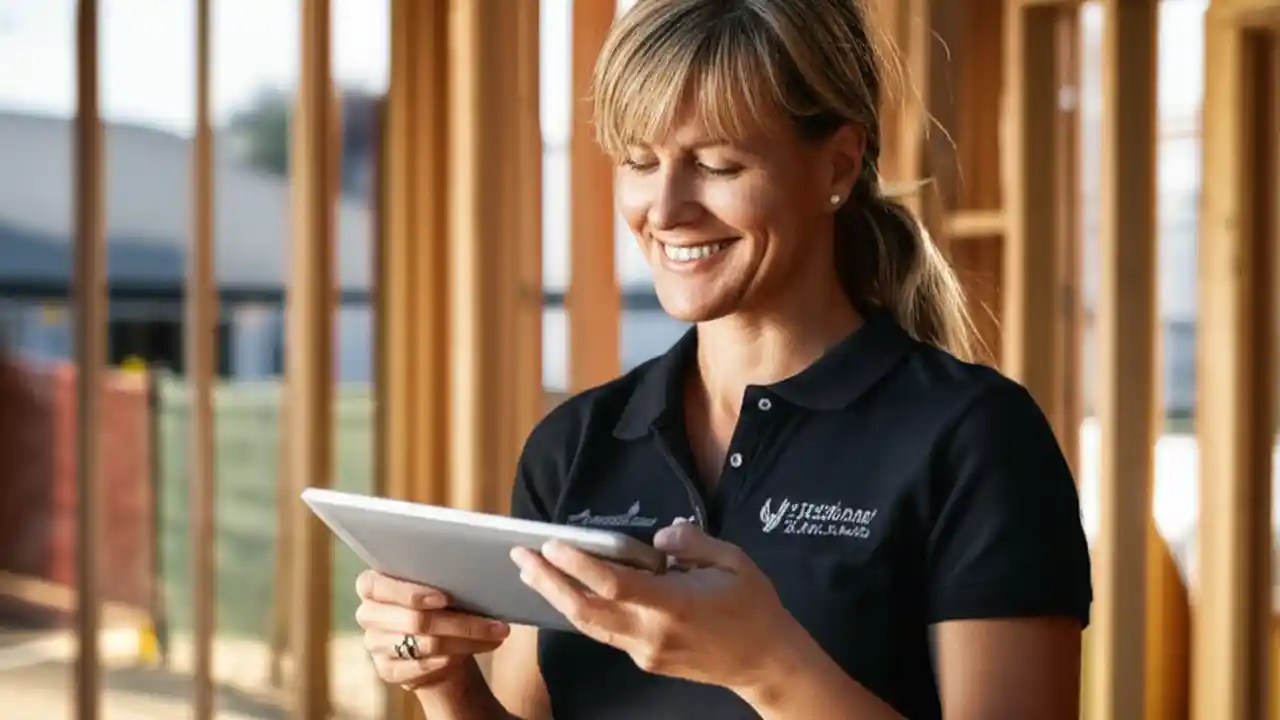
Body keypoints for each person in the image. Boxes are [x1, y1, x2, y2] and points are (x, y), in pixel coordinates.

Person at [354, 0, 1092, 717]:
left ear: (838, 164)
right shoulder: (577, 445)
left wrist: (766, 666)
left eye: (717, 165)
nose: (666, 208)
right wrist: (445, 682)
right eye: (639, 161)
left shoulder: (974, 439)